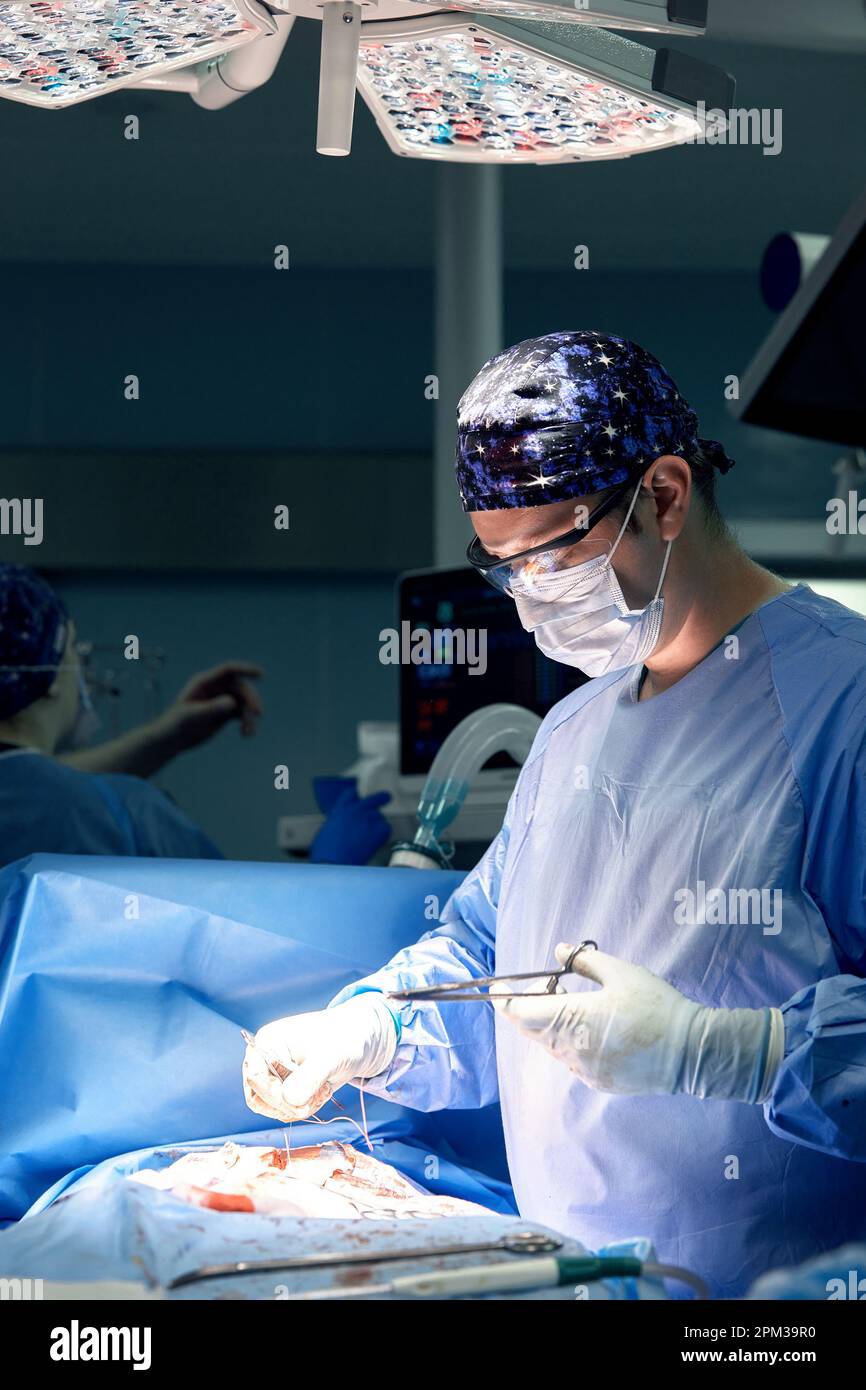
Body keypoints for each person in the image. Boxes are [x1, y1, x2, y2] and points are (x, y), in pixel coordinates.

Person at [242, 331, 866, 1297]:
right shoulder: (573, 728)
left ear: (663, 495)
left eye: (551, 557)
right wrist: (373, 1030)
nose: (532, 601)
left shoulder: (843, 706)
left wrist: (728, 1053)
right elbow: (491, 959)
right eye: (505, 568)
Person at [0, 563, 262, 865]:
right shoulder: (134, 818)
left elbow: (25, 784)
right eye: (73, 649)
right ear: (51, 680)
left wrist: (167, 735)